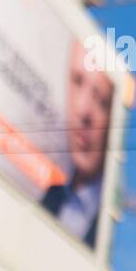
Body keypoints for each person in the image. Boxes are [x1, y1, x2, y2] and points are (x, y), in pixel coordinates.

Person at [41, 39, 113, 248]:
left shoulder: (101, 227)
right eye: (78, 82)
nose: (84, 111)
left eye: (100, 100)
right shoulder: (49, 195)